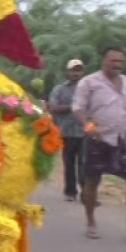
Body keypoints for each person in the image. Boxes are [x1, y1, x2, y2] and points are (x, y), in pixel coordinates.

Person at [72, 46, 126, 244]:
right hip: (98, 140)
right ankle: (91, 222)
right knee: (92, 182)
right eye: (113, 61)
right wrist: (89, 127)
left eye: (120, 62)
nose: (117, 65)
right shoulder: (89, 82)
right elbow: (78, 109)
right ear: (103, 61)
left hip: (124, 139)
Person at [49, 59, 87, 202]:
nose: (76, 73)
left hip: (85, 132)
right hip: (66, 132)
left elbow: (95, 108)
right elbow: (52, 107)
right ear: (68, 72)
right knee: (69, 163)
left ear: (82, 72)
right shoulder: (59, 89)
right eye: (73, 70)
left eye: (78, 70)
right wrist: (72, 106)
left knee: (84, 163)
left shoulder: (89, 89)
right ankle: (70, 192)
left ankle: (86, 193)